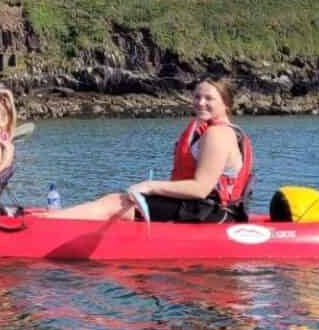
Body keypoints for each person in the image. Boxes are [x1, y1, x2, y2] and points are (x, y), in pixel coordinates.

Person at [43, 79, 253, 223]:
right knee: (117, 200)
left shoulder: (217, 135)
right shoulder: (222, 131)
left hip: (211, 213)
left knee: (116, 203)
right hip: (206, 209)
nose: (200, 103)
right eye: (197, 96)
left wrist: (150, 187)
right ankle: (57, 218)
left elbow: (200, 189)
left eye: (209, 99)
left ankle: (42, 224)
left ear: (226, 104)